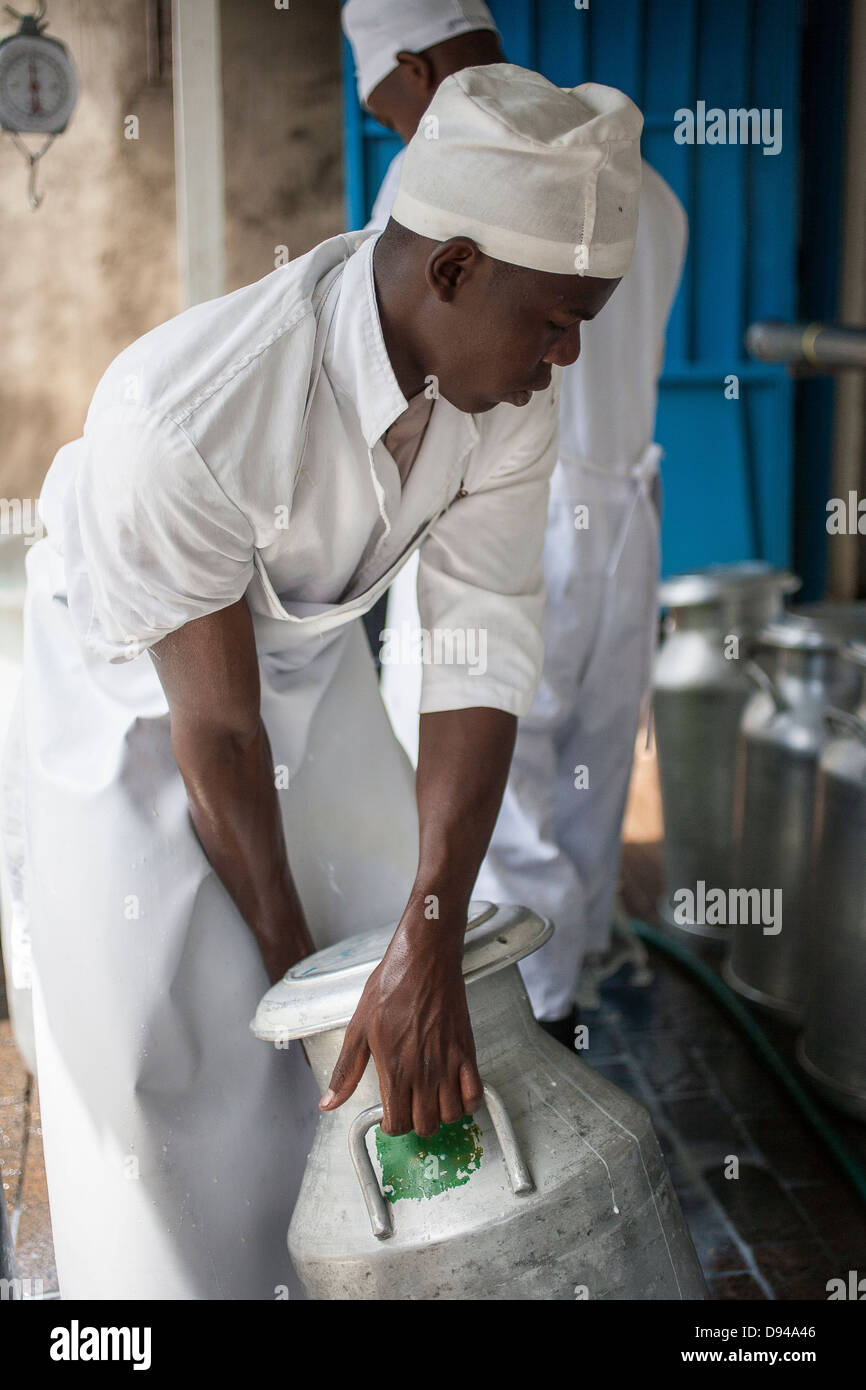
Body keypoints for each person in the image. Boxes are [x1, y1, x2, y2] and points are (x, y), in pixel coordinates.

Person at [1, 63, 642, 1297]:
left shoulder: (500, 393)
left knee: (391, 956)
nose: (565, 357)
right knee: (168, 1051)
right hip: (139, 680)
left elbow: (476, 647)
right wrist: (301, 993)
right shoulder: (185, 411)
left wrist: (426, 935)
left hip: (297, 654)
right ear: (453, 267)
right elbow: (221, 736)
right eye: (555, 317)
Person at [343, 0, 688, 1039]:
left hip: (511, 505)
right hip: (624, 515)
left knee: (495, 793)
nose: (396, 127)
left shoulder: (443, 178)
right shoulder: (640, 183)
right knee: (583, 781)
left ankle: (518, 1040)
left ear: (410, 68)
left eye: (386, 106)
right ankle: (571, 995)